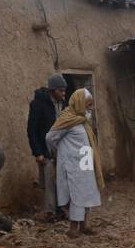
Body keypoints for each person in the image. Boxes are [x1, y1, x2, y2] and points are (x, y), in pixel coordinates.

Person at [47, 88, 104, 239]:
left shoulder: (82, 119)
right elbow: (50, 138)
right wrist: (64, 152)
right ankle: (73, 228)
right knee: (76, 195)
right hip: (73, 165)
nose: (90, 107)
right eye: (87, 104)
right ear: (79, 103)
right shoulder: (67, 119)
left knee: (86, 192)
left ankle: (85, 225)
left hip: (85, 163)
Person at [27, 73, 67, 221]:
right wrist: (37, 152)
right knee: (49, 182)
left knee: (61, 181)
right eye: (60, 91)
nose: (63, 94)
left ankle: (61, 210)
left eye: (64, 90)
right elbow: (32, 130)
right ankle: (50, 212)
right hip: (46, 150)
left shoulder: (62, 104)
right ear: (51, 90)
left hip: (61, 149)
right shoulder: (38, 104)